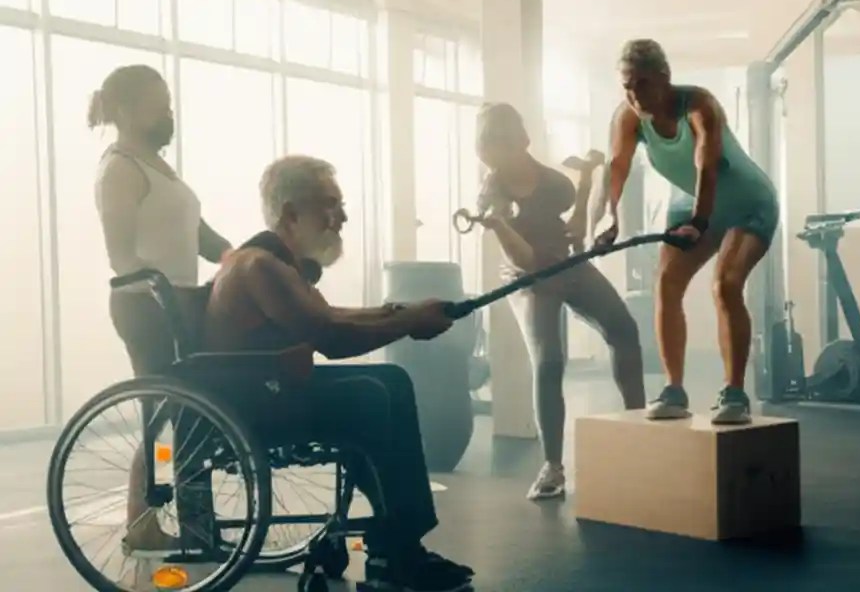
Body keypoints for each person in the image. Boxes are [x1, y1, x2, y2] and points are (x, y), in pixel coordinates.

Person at [203, 154, 473, 591]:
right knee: (368, 396)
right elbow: (330, 337)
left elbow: (330, 316)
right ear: (291, 212)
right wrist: (408, 323)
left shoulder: (274, 264)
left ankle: (400, 540)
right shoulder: (260, 268)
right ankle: (397, 548)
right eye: (330, 204)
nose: (342, 217)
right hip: (251, 405)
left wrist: (400, 312)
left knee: (391, 382)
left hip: (267, 390)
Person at [594, 39, 780, 425]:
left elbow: (706, 165)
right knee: (665, 283)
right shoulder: (628, 116)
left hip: (747, 201)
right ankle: (674, 390)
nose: (634, 95)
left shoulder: (699, 105)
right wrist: (606, 219)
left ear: (664, 79)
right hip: (690, 200)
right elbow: (616, 167)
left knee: (725, 285)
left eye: (642, 84)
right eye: (627, 86)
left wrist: (699, 222)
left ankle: (734, 394)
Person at [90, 64, 233, 555]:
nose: (169, 112)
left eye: (169, 102)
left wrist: (242, 258)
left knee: (176, 415)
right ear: (128, 111)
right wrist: (162, 294)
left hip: (181, 304)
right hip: (146, 307)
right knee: (170, 413)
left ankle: (165, 523)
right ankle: (157, 523)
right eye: (160, 104)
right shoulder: (120, 169)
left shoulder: (157, 165)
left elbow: (200, 235)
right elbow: (121, 256)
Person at [471, 102, 645, 501]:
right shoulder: (491, 194)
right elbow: (525, 260)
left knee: (624, 329)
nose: (495, 160)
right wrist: (497, 222)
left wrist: (585, 184)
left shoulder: (554, 184)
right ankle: (552, 467)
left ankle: (639, 428)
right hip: (528, 277)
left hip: (567, 265)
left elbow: (575, 228)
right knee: (549, 361)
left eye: (501, 148)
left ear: (524, 143)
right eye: (487, 151)